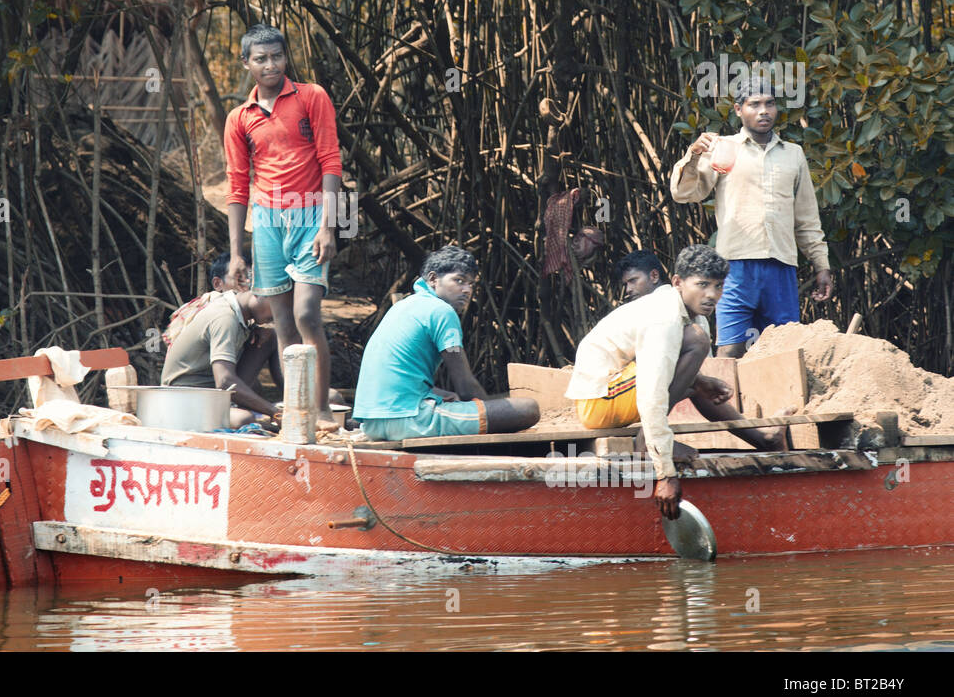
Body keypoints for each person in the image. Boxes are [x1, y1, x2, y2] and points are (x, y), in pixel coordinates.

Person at [565, 245, 789, 520]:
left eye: (718, 286)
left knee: (698, 375)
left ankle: (764, 439)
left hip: (619, 390)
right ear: (677, 283)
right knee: (694, 346)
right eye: (702, 285)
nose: (711, 295)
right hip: (598, 400)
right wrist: (665, 474)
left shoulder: (695, 317)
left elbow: (675, 375)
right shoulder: (665, 318)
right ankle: (646, 444)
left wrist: (698, 382)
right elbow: (651, 394)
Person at [223, 24, 341, 421]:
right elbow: (238, 185)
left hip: (311, 213)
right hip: (268, 222)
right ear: (246, 64)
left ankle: (321, 409)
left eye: (276, 56)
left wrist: (329, 226)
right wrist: (237, 254)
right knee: (283, 321)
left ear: (285, 58)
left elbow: (331, 160)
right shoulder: (240, 118)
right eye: (260, 58)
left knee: (308, 313)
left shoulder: (312, 96)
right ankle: (297, 409)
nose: (270, 64)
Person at [669, 76, 832, 358]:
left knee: (784, 351)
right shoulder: (723, 149)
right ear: (738, 110)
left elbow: (806, 219)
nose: (763, 111)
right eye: (754, 104)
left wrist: (821, 265)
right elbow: (684, 193)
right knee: (730, 349)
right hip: (734, 268)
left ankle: (783, 403)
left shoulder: (793, 155)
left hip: (781, 266)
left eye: (770, 104)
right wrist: (693, 156)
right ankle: (725, 403)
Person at [352, 246, 539, 441]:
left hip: (373, 423)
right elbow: (465, 386)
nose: (467, 290)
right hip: (409, 419)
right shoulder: (442, 311)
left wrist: (440, 394)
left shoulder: (404, 305)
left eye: (471, 284)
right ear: (433, 279)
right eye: (459, 280)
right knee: (527, 408)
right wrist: (492, 412)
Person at [160, 288, 281, 428]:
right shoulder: (225, 318)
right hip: (185, 401)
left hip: (213, 397)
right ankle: (277, 418)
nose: (277, 315)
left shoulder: (241, 316)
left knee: (270, 337)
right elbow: (225, 382)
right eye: (276, 306)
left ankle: (293, 407)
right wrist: (274, 412)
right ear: (258, 293)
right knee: (243, 419)